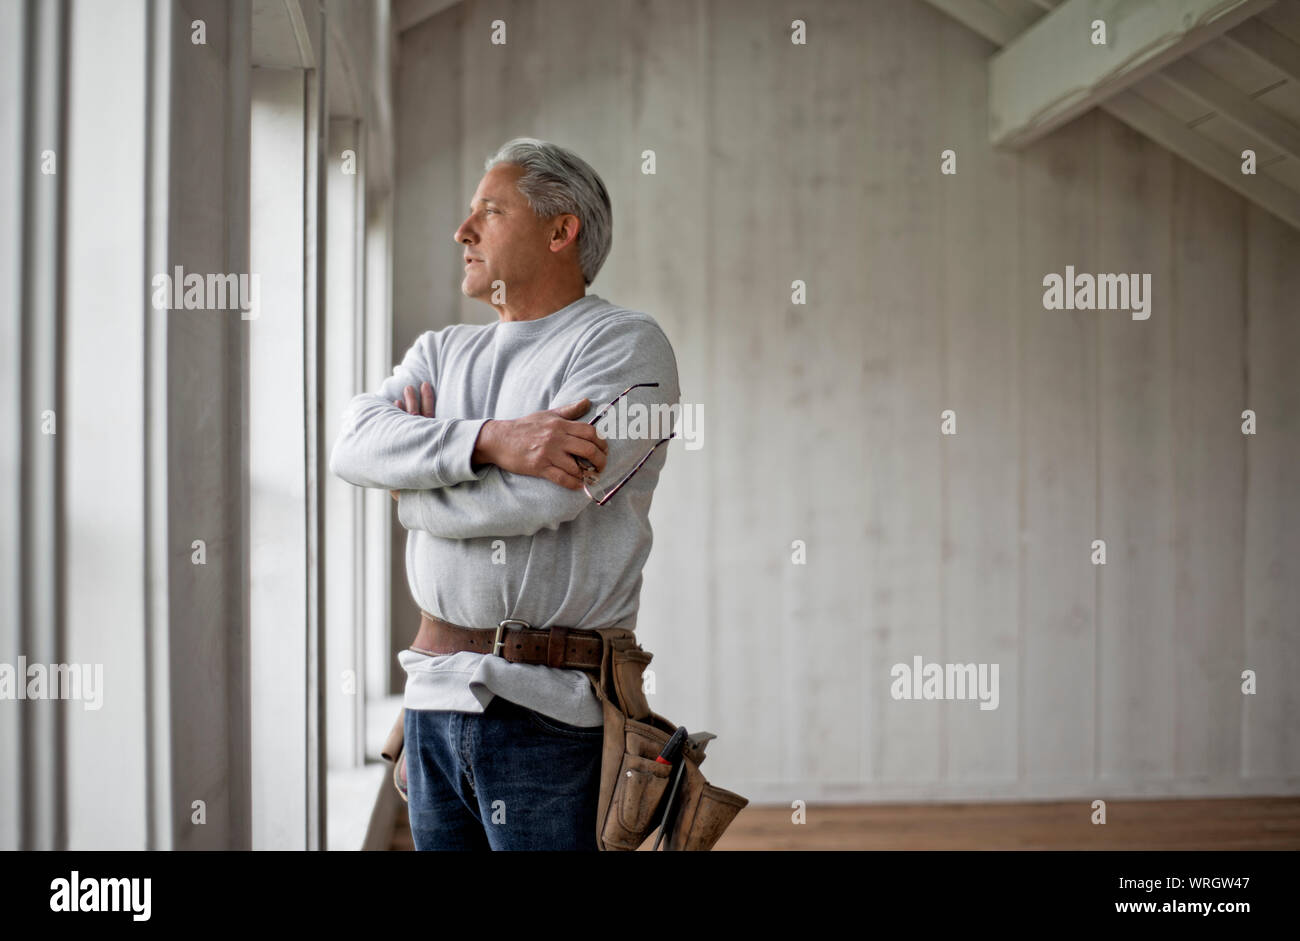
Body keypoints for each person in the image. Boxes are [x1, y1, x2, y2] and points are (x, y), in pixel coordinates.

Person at [329, 137, 680, 850]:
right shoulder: (440, 351)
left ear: (561, 230)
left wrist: (414, 495)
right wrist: (490, 441)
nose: (463, 231)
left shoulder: (626, 347)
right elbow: (354, 445)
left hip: (549, 721)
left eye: (489, 211)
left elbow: (547, 499)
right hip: (431, 703)